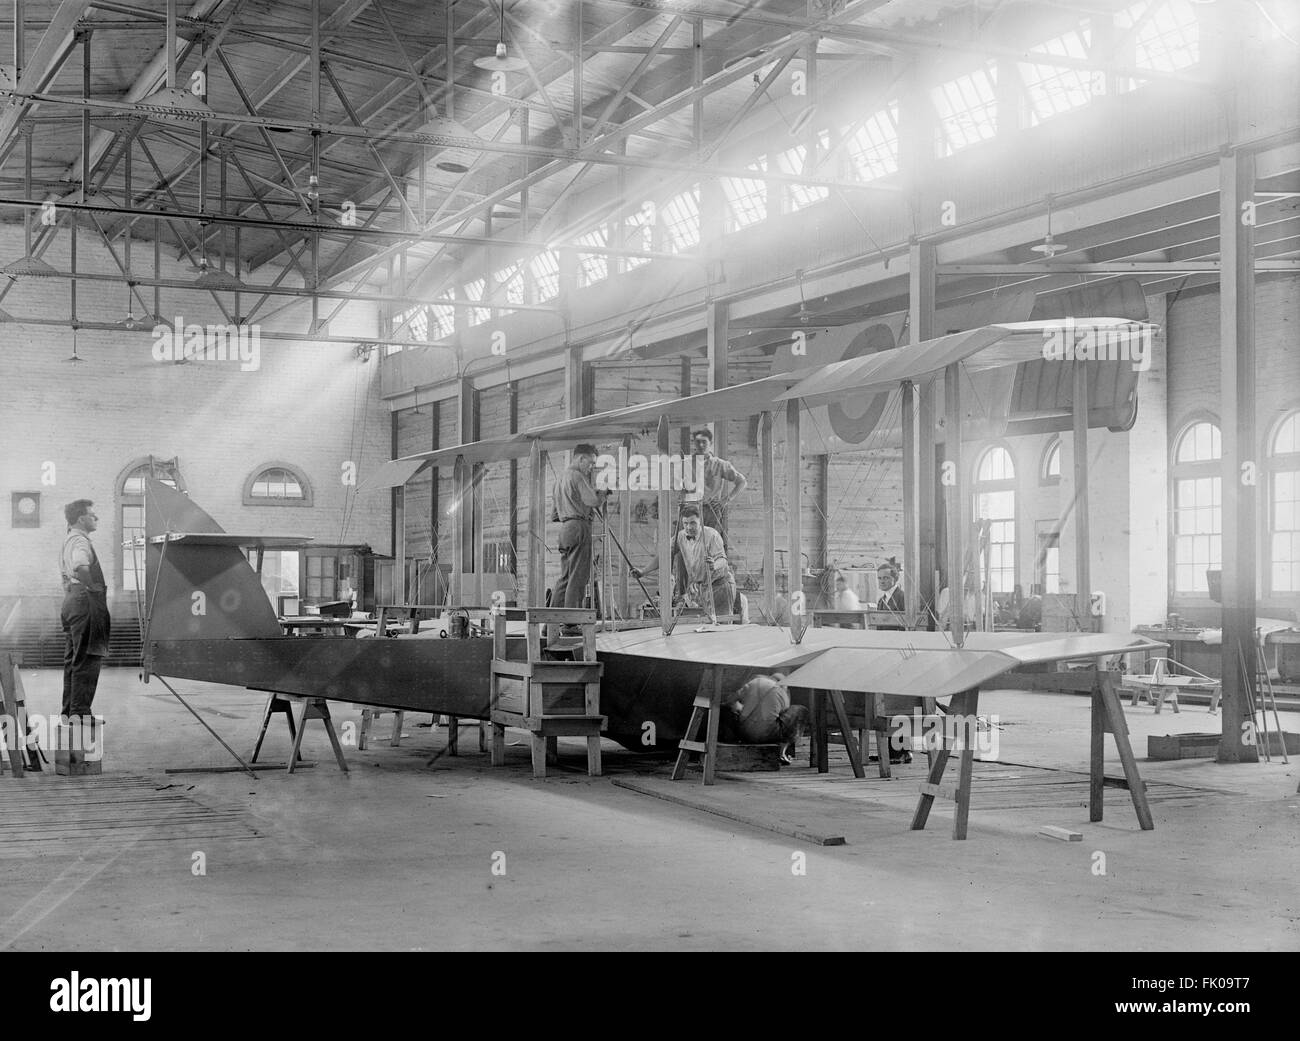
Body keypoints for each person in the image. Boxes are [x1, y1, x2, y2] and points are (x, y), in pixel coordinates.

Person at [631, 504, 735, 619]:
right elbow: (663, 556)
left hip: (720, 586)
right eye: (685, 523)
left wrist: (714, 565)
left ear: (700, 521)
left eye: (692, 523)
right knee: (709, 626)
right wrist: (643, 571)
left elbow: (723, 560)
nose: (689, 527)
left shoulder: (711, 535)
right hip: (703, 589)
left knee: (722, 627)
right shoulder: (680, 537)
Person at [59, 499, 111, 722]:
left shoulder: (68, 540)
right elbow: (80, 567)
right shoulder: (80, 541)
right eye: (92, 515)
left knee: (73, 660)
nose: (96, 518)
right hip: (84, 601)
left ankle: (69, 712)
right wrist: (92, 586)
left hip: (71, 601)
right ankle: (80, 713)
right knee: (87, 659)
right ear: (81, 519)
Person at [551, 443, 610, 619]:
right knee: (578, 578)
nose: (591, 467)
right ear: (581, 458)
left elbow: (554, 514)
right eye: (591, 463)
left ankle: (550, 623)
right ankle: (570, 624)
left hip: (565, 530)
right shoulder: (577, 476)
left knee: (565, 579)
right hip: (578, 527)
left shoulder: (559, 479)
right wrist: (603, 493)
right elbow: (592, 501)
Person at [721, 672, 809, 764]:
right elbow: (783, 714)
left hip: (743, 732)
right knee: (800, 710)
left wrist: (740, 708)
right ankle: (782, 750)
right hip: (767, 735)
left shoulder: (755, 682)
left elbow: (731, 700)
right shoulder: (782, 692)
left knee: (725, 709)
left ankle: (730, 738)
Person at [688, 428, 747, 546]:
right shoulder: (686, 463)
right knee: (688, 546)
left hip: (711, 511)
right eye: (697, 441)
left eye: (704, 441)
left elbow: (742, 482)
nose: (700, 445)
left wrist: (726, 499)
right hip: (691, 512)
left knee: (710, 545)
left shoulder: (720, 464)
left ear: (711, 443)